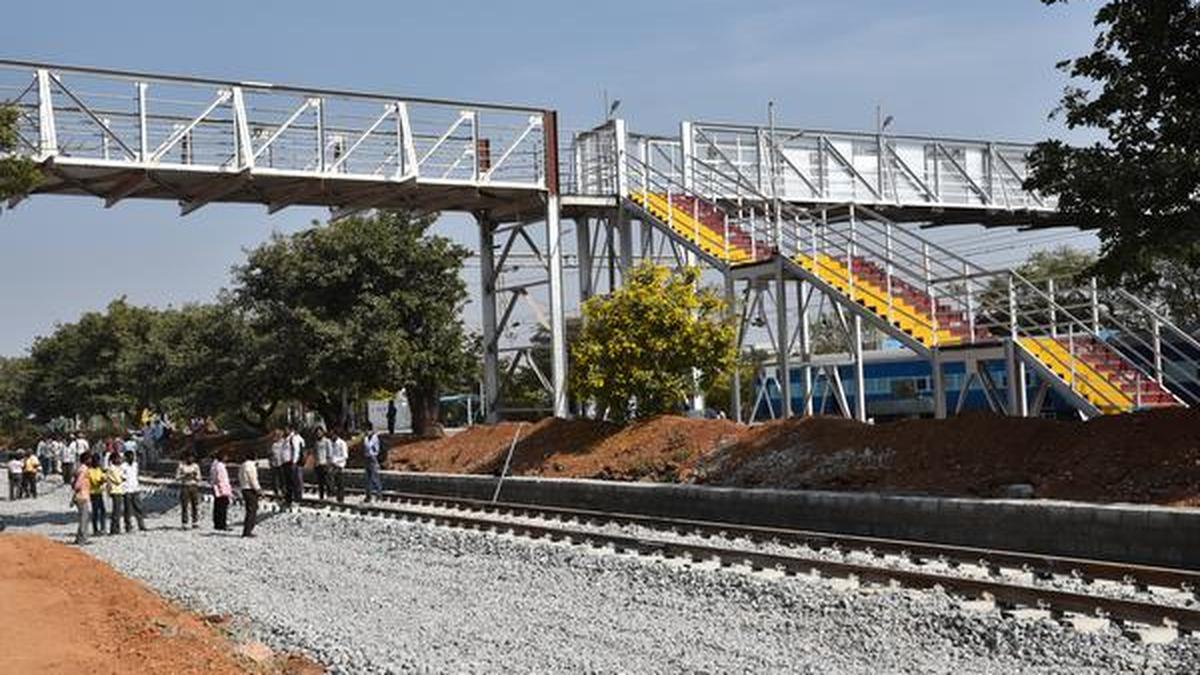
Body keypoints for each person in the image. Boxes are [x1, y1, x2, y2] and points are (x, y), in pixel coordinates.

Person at [121, 450, 146, 532]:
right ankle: (128, 526)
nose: (132, 458)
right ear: (126, 458)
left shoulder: (135, 465)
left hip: (135, 488)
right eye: (130, 456)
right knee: (128, 510)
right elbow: (121, 477)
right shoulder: (123, 466)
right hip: (127, 489)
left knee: (139, 508)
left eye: (133, 456)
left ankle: (141, 525)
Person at [175, 451, 201, 529]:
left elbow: (199, 477)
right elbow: (177, 477)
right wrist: (184, 475)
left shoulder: (196, 466)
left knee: (195, 505)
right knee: (185, 505)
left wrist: (194, 476)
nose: (190, 459)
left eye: (192, 457)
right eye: (189, 457)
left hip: (194, 486)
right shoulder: (181, 466)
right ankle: (185, 522)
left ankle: (195, 521)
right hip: (185, 486)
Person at [71, 454, 92, 545]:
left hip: (80, 496)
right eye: (89, 459)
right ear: (86, 459)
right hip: (82, 496)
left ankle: (79, 537)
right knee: (84, 519)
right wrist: (77, 488)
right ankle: (83, 539)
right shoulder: (84, 470)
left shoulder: (79, 469)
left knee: (83, 518)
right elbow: (77, 484)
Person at [238, 454, 261, 538]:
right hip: (250, 489)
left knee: (248, 509)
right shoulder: (251, 466)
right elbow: (253, 478)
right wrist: (258, 489)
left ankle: (247, 530)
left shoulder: (242, 465)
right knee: (252, 510)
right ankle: (248, 531)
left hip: (244, 488)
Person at [209, 452, 232, 531]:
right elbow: (221, 478)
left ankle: (218, 524)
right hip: (222, 488)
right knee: (222, 507)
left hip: (217, 487)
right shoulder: (220, 466)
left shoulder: (214, 465)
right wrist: (223, 488)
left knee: (218, 506)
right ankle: (222, 524)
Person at [86, 454, 107, 536]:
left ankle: (102, 528)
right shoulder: (89, 471)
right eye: (96, 461)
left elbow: (102, 477)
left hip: (99, 492)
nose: (97, 462)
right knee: (95, 512)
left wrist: (103, 479)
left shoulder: (99, 469)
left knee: (102, 510)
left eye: (98, 461)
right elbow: (92, 482)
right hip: (93, 493)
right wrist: (99, 482)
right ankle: (95, 529)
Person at [105, 452, 125, 534]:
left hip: (119, 490)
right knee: (116, 511)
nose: (119, 460)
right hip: (115, 491)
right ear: (113, 459)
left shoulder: (117, 468)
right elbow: (118, 480)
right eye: (118, 458)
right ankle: (114, 529)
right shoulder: (112, 469)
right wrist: (122, 478)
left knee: (118, 511)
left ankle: (117, 527)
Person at [287, 426, 305, 504]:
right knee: (297, 480)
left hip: (296, 462)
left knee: (296, 480)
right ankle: (297, 496)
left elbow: (296, 450)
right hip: (298, 462)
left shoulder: (294, 438)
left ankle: (297, 497)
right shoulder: (299, 438)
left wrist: (294, 461)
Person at [363, 429, 382, 502]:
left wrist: (365, 438)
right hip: (366, 458)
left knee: (374, 477)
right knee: (367, 478)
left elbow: (370, 447)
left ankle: (379, 495)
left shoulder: (374, 438)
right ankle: (368, 495)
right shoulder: (366, 438)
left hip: (372, 458)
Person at [329, 429, 348, 503]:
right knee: (332, 481)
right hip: (333, 465)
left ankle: (340, 498)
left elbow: (345, 456)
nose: (332, 436)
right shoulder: (331, 443)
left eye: (333, 434)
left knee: (340, 482)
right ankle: (334, 495)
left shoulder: (342, 443)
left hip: (339, 465)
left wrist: (336, 460)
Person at [313, 428, 331, 501]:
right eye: (317, 433)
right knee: (320, 482)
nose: (318, 434)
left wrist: (328, 462)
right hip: (318, 464)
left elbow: (329, 452)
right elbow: (315, 453)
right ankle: (321, 496)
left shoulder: (327, 441)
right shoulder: (316, 442)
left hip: (325, 463)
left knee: (327, 481)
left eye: (320, 432)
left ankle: (330, 495)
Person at [268, 430, 286, 501]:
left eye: (277, 435)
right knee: (274, 480)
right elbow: (270, 454)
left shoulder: (284, 443)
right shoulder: (273, 444)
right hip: (274, 464)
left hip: (281, 463)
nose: (275, 437)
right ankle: (276, 492)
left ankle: (283, 492)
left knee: (282, 479)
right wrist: (270, 461)